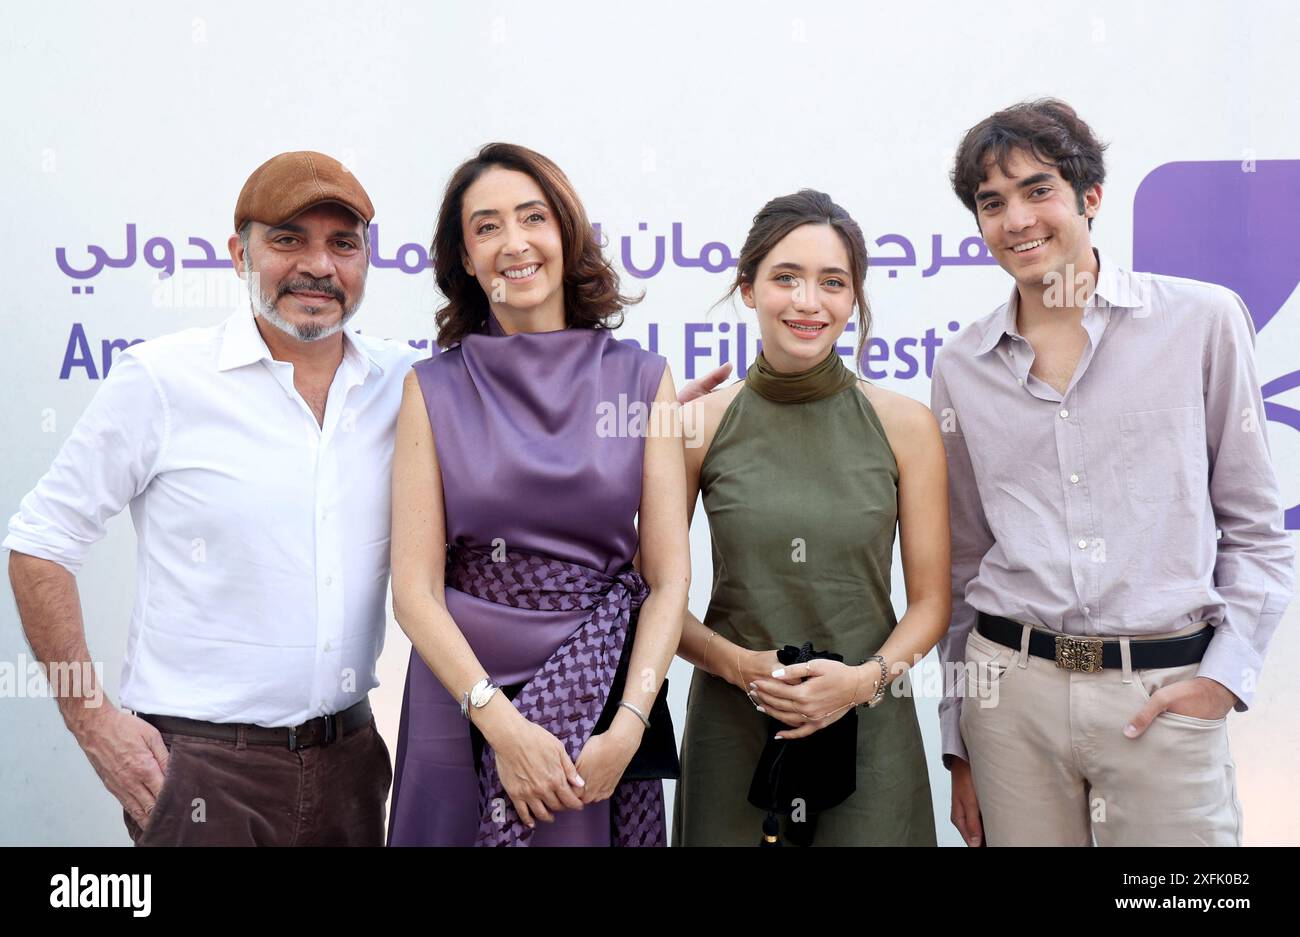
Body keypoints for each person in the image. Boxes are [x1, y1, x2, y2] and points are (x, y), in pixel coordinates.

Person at [5, 151, 414, 845]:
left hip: (352, 767)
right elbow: (40, 541)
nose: (319, 264)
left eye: (342, 243)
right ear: (238, 253)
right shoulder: (163, 380)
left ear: (366, 261)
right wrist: (92, 720)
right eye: (288, 239)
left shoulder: (406, 384)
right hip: (200, 774)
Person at [933, 99, 1294, 847]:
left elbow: (1257, 529)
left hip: (1163, 693)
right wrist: (960, 737)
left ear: (1090, 198)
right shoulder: (961, 366)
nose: (1017, 220)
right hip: (1011, 701)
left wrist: (1224, 678)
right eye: (992, 203)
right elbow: (964, 560)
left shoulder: (1202, 322)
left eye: (1039, 190)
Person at [386, 143, 691, 846]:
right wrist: (501, 724)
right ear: (464, 257)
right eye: (487, 227)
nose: (514, 243)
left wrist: (630, 723)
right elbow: (414, 591)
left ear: (566, 233)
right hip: (458, 697)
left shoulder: (645, 379)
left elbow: (669, 577)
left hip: (598, 705)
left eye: (533, 217)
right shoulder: (431, 388)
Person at [671, 190, 951, 846]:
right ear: (747, 289)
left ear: (853, 298)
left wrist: (860, 681)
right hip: (732, 721)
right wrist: (741, 667)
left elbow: (933, 601)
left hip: (868, 723)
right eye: (785, 278)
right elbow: (653, 595)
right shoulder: (695, 425)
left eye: (833, 282)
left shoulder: (907, 425)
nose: (808, 301)